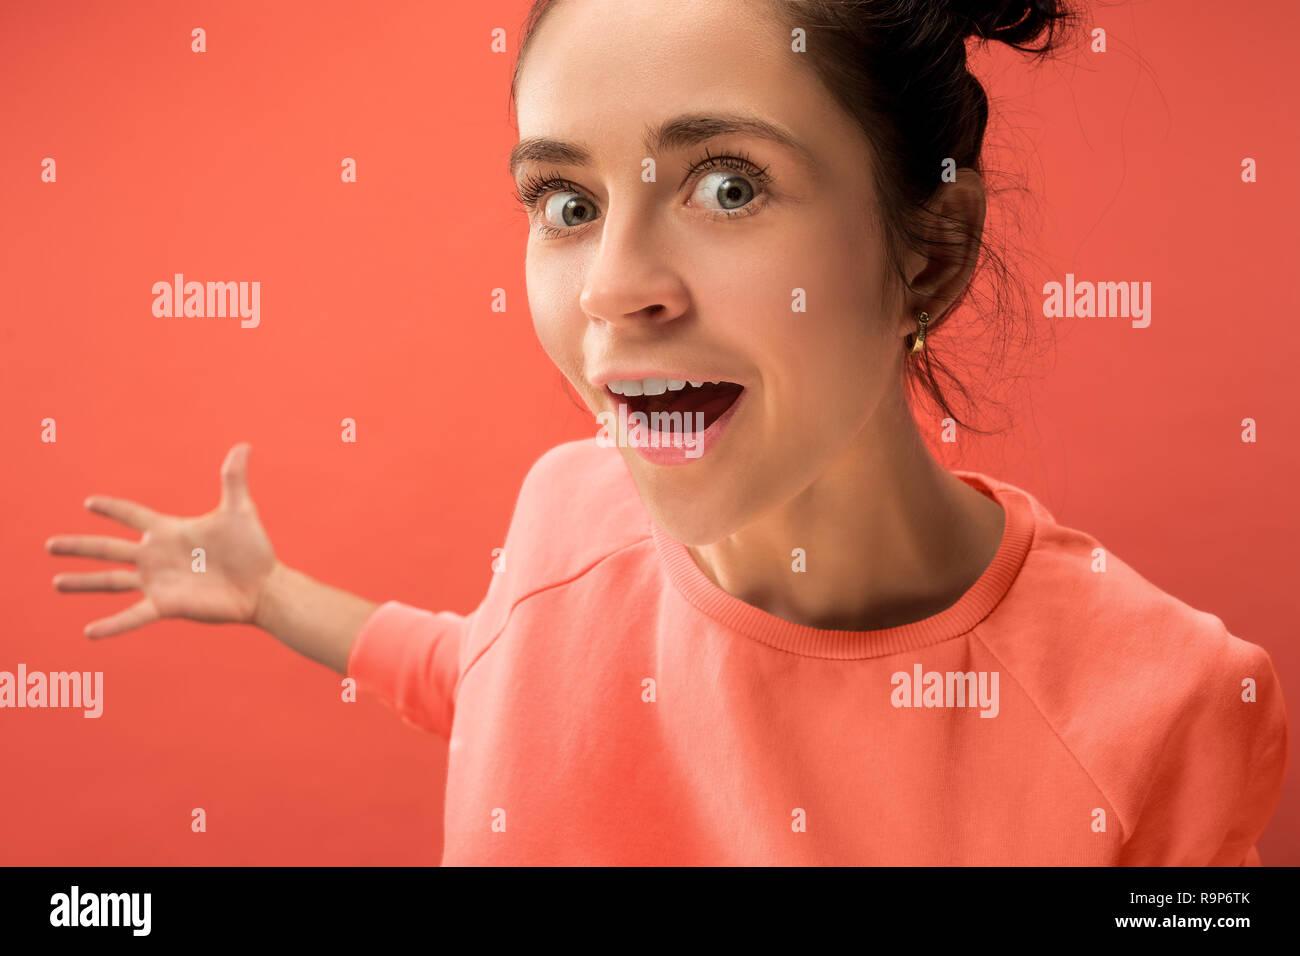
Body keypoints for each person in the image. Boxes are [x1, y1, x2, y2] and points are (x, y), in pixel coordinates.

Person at [47, 0, 1288, 865]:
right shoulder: (568, 506)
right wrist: (270, 592)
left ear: (930, 250)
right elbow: (499, 679)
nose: (611, 286)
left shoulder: (1165, 712)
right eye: (567, 201)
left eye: (727, 184)